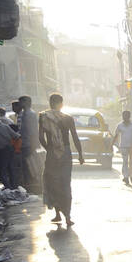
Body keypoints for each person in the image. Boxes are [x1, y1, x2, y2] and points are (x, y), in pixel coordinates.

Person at [38, 93, 84, 227]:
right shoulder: (68, 118)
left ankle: (57, 214)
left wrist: (50, 149)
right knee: (65, 183)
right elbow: (75, 137)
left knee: (52, 182)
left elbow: (41, 137)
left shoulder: (43, 116)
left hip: (52, 153)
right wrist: (80, 154)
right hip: (66, 152)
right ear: (61, 104)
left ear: (50, 103)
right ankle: (68, 217)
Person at [18, 95, 44, 195]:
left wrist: (34, 144)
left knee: (31, 167)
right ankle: (31, 187)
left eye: (21, 102)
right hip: (26, 144)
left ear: (26, 102)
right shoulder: (25, 113)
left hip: (29, 144)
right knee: (27, 167)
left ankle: (34, 188)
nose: (20, 104)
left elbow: (32, 130)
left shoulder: (30, 114)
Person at [112, 110, 132, 185]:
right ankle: (126, 177)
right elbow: (116, 135)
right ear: (122, 117)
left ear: (129, 117)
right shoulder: (120, 125)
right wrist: (112, 144)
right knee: (125, 162)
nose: (125, 117)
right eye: (124, 116)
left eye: (127, 116)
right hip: (123, 146)